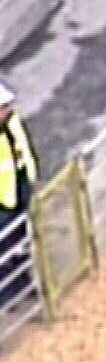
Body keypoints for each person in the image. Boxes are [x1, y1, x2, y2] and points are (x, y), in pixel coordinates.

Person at [0, 84, 37, 310]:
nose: (7, 110)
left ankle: (25, 282)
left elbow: (23, 151)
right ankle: (7, 293)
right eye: (3, 107)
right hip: (2, 203)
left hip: (18, 193)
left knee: (20, 243)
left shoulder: (12, 122)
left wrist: (30, 180)